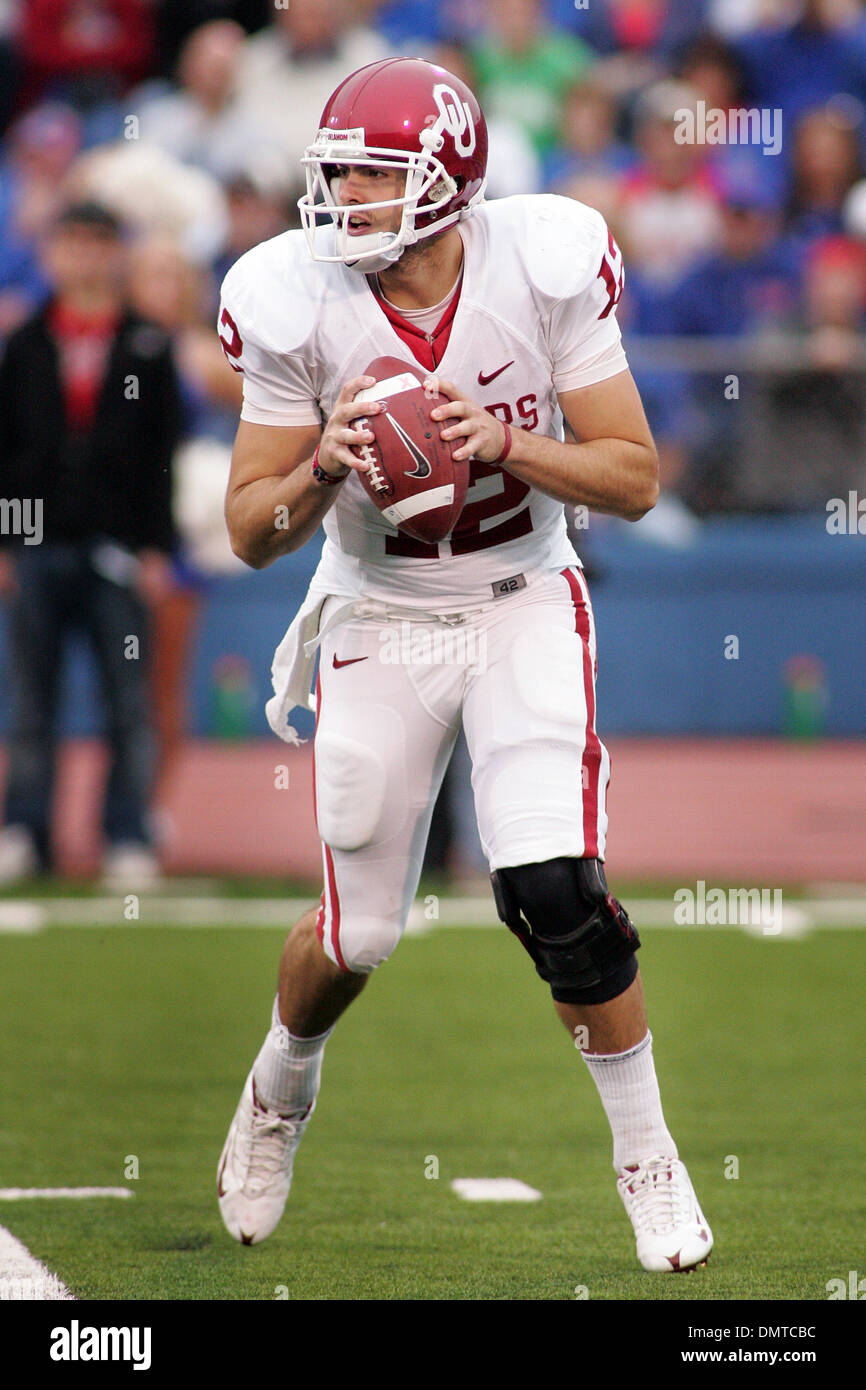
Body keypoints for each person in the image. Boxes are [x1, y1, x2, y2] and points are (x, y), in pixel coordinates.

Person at [215, 57, 713, 1274]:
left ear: (446, 179)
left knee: (553, 887)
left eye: (370, 179)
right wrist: (322, 467)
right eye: (333, 178)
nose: (341, 204)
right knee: (360, 934)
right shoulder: (290, 296)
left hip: (518, 600)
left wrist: (509, 442)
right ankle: (280, 1088)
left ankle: (645, 1157)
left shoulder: (540, 262)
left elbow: (636, 479)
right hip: (378, 611)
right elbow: (246, 529)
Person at [0, 200, 181, 883]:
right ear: (51, 252)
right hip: (41, 545)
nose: (83, 255)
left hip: (119, 548)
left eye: (96, 241)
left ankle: (127, 832)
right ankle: (25, 828)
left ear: (116, 251)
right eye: (71, 240)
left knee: (126, 698)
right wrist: (10, 543)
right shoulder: (26, 343)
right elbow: (8, 450)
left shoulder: (147, 344)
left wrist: (156, 548)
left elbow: (163, 452)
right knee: (30, 697)